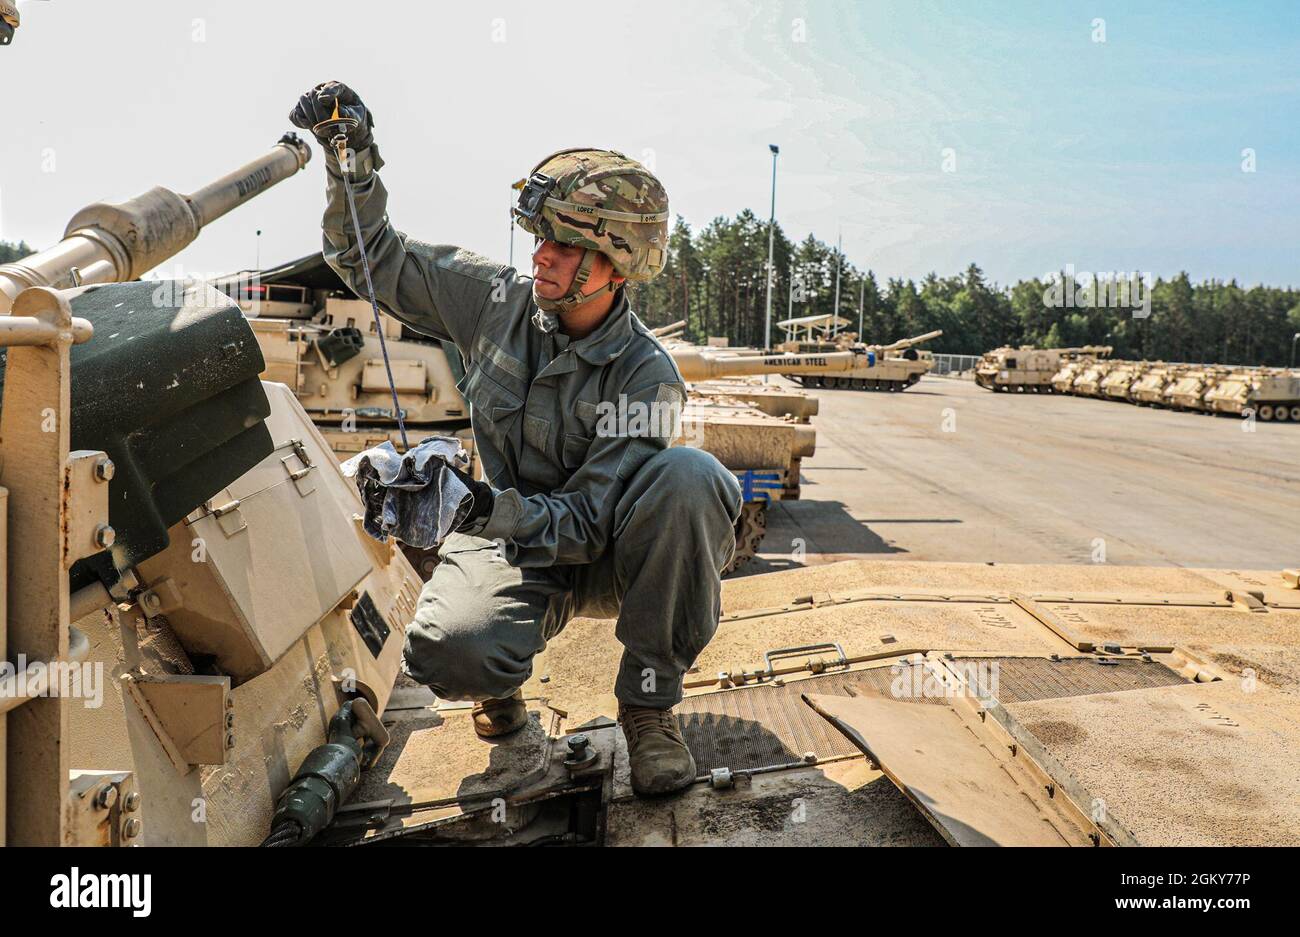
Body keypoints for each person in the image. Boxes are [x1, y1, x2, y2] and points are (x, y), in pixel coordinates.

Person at [290, 81, 741, 796]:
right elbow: (370, 259)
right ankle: (498, 695)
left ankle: (649, 707)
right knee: (444, 653)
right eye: (540, 239)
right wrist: (353, 165)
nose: (542, 257)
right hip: (508, 542)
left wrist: (473, 508)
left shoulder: (645, 376)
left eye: (564, 246)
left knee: (691, 479)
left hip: (606, 552)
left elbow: (591, 521)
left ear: (614, 264)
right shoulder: (496, 301)